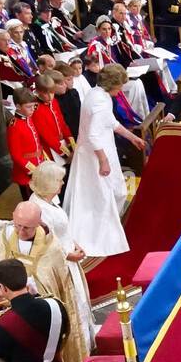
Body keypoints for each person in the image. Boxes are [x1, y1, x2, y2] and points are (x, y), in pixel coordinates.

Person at [0, 200, 91, 362]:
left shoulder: (51, 246)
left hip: (40, 314)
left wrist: (31, 286)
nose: (21, 232)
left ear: (38, 223)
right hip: (10, 308)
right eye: (18, 226)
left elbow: (54, 281)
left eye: (27, 228)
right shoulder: (6, 236)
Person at [63, 64, 142, 258]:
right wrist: (104, 161)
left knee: (114, 192)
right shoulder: (99, 102)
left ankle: (111, 225)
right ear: (112, 84)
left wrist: (131, 137)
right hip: (96, 156)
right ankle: (103, 234)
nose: (121, 89)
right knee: (105, 195)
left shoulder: (97, 94)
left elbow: (110, 122)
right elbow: (94, 135)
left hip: (100, 152)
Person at [27, 162, 96, 350]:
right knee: (73, 301)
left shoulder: (51, 200)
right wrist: (68, 255)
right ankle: (79, 345)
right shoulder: (37, 208)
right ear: (49, 183)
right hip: (59, 262)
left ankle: (87, 338)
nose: (63, 183)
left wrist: (74, 243)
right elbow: (45, 241)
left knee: (81, 297)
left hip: (69, 254)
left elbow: (62, 230)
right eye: (59, 180)